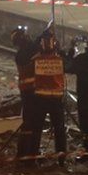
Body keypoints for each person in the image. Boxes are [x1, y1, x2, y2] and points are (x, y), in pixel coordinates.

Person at [20, 26, 67, 161]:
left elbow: (25, 72)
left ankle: (32, 157)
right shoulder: (60, 59)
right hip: (56, 100)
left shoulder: (36, 59)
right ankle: (61, 158)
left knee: (37, 130)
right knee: (59, 130)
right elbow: (70, 66)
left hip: (40, 99)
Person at [11, 26, 37, 157]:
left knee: (28, 121)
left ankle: (25, 151)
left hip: (27, 91)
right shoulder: (24, 54)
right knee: (30, 122)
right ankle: (26, 152)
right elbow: (35, 46)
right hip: (30, 91)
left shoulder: (21, 54)